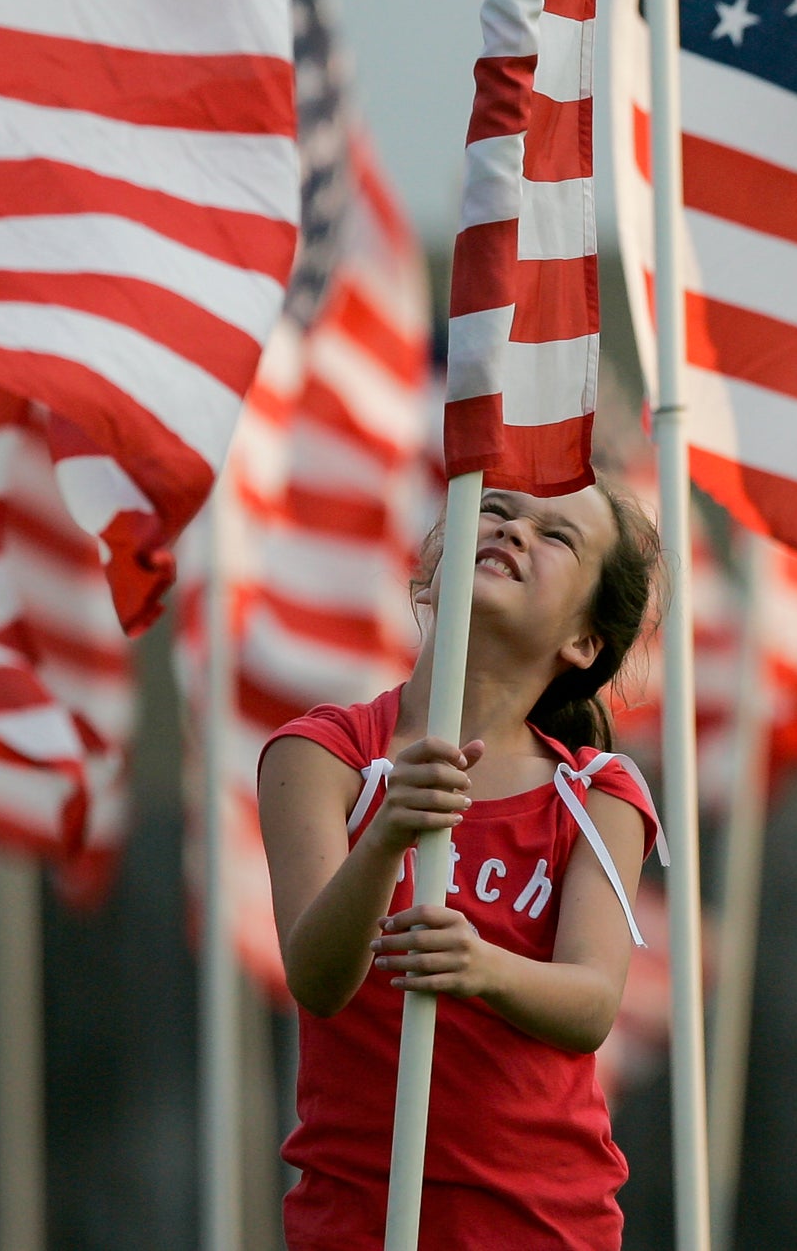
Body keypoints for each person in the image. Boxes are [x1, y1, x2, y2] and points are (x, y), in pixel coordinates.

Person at [258, 480, 665, 1251]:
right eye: (498, 511)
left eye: (558, 537)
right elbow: (315, 977)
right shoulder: (322, 754)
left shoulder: (597, 793)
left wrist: (482, 966)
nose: (513, 531)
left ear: (583, 642)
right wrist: (386, 836)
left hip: (545, 1225)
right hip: (360, 1223)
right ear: (430, 571)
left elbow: (591, 1004)